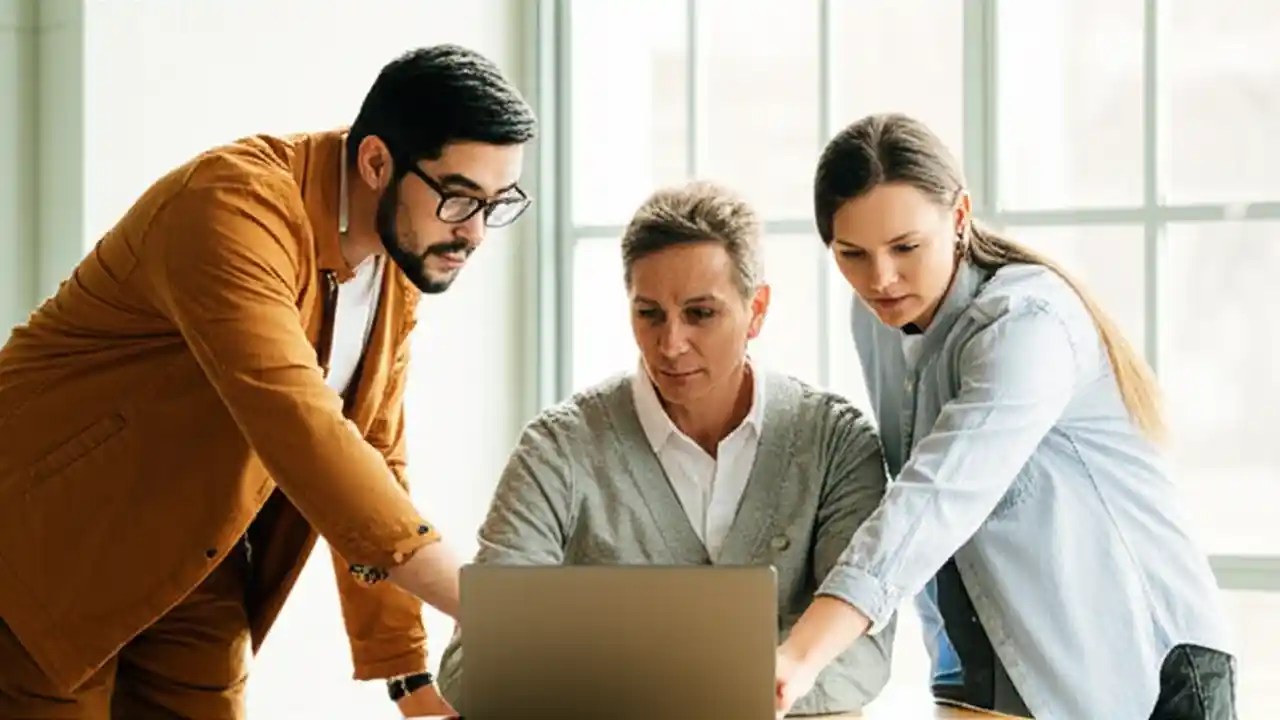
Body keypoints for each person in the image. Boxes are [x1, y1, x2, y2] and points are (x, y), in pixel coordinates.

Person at [0, 44, 536, 719]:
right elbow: (303, 430)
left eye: (498, 203)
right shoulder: (230, 206)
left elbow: (371, 458)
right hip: (48, 541)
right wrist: (490, 608)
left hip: (195, 560)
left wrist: (407, 675)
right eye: (459, 199)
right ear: (376, 163)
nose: (477, 233)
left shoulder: (395, 262)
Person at [773, 112, 1235, 720]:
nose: (880, 278)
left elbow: (934, 497)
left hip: (1139, 668)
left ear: (959, 216)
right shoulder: (877, 320)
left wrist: (801, 655)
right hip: (995, 669)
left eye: (906, 247)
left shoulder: (1027, 321)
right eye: (852, 254)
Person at [434, 181, 895, 716]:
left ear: (757, 310)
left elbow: (862, 659)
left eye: (700, 314)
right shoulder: (557, 450)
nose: (671, 344)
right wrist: (728, 681)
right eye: (649, 314)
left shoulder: (836, 444)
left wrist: (618, 673)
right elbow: (470, 666)